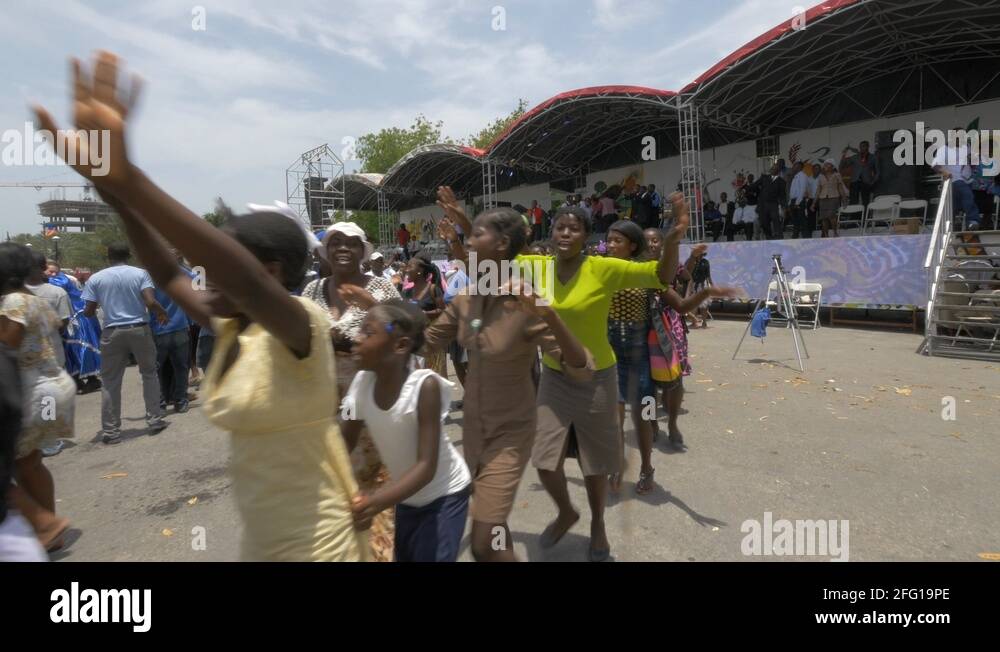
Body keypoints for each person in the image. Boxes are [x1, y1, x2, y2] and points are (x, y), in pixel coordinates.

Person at [36, 50, 367, 561]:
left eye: (218, 266)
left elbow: (245, 280)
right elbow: (167, 272)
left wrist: (132, 178)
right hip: (263, 546)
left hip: (320, 547)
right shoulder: (232, 327)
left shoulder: (304, 325)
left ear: (271, 273)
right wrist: (113, 190)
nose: (203, 278)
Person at [514, 198, 688, 562]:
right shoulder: (538, 267)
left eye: (574, 228)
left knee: (593, 463)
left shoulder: (604, 268)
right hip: (555, 376)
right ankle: (566, 511)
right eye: (560, 227)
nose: (565, 233)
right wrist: (465, 231)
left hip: (598, 377)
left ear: (585, 235)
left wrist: (672, 241)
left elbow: (661, 276)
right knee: (545, 460)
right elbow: (488, 262)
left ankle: (597, 525)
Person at [428, 192, 594, 561]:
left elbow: (581, 367)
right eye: (464, 240)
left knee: (483, 542)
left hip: (511, 430)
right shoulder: (467, 300)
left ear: (503, 244)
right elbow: (423, 340)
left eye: (475, 236)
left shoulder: (525, 296)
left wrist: (549, 316)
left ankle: (573, 517)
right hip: (474, 430)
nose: (466, 244)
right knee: (493, 523)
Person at [340, 302, 471, 562]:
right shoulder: (360, 384)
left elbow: (426, 466)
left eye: (368, 332)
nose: (356, 338)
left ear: (400, 346)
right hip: (407, 499)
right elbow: (343, 442)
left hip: (444, 496)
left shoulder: (424, 388)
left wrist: (376, 501)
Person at [301, 221, 401, 562]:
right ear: (325, 251)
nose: (343, 248)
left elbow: (401, 335)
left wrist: (370, 303)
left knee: (373, 482)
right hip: (322, 402)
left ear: (363, 251)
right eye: (335, 242)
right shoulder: (312, 291)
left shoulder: (381, 286)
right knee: (331, 482)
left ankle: (378, 550)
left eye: (351, 243)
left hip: (371, 400)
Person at [0, 242, 76, 553]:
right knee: (30, 463)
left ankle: (45, 524)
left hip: (31, 391)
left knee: (12, 468)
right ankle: (49, 529)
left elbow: (7, 346)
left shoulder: (13, 303)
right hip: (52, 385)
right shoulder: (34, 298)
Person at [644, 236, 739, 450]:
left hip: (669, 326)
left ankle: (672, 422)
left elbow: (684, 276)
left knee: (674, 378)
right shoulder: (634, 269)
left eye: (655, 240)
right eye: (646, 241)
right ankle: (650, 423)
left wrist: (693, 259)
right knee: (646, 386)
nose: (651, 244)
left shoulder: (670, 268)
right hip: (643, 331)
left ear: (662, 245)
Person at [82, 243, 169, 444]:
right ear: (129, 255)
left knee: (111, 382)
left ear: (108, 256)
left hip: (111, 332)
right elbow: (149, 301)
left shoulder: (96, 278)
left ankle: (111, 432)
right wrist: (161, 311)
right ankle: (155, 420)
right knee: (149, 374)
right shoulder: (140, 274)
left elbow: (88, 310)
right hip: (139, 328)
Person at [604, 221, 657, 495]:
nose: (610, 246)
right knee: (615, 418)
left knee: (642, 418)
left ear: (633, 245)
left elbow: (673, 293)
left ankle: (647, 468)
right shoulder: (601, 269)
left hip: (640, 358)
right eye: (609, 240)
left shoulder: (644, 271)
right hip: (611, 353)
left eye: (617, 241)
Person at [25, 252, 72, 456]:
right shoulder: (56, 292)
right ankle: (49, 442)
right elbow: (64, 323)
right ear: (44, 267)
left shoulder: (11, 295)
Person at [46, 260, 101, 391]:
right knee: (69, 349)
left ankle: (92, 379)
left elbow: (58, 284)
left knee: (80, 348)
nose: (53, 274)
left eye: (55, 271)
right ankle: (76, 379)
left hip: (77, 318)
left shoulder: (61, 280)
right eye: (50, 271)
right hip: (68, 318)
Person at [151, 253, 194, 414]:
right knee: (181, 367)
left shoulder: (149, 274)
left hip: (158, 328)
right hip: (180, 326)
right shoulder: (181, 273)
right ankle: (180, 400)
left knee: (157, 369)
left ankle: (161, 403)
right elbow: (198, 281)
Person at [402, 255, 447, 378]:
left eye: (410, 266)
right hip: (413, 343)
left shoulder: (433, 289)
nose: (406, 270)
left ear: (420, 270)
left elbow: (443, 310)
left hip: (431, 342)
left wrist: (425, 314)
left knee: (434, 376)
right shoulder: (406, 292)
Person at [933, 129, 982, 230]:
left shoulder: (967, 147)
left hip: (967, 179)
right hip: (954, 179)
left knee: (954, 205)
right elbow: (935, 165)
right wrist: (944, 171)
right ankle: (973, 220)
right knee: (966, 194)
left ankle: (950, 226)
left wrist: (972, 159)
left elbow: (974, 161)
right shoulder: (944, 149)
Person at [814, 159, 849, 237]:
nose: (825, 166)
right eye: (825, 164)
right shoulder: (821, 176)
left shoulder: (837, 175)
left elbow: (840, 188)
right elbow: (818, 190)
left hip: (833, 197)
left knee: (831, 216)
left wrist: (844, 199)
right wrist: (814, 202)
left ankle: (835, 233)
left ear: (833, 167)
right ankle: (826, 235)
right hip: (822, 198)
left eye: (828, 164)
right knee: (824, 218)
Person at [841, 140, 879, 207]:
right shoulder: (855, 157)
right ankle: (854, 216)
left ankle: (864, 216)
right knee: (853, 201)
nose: (861, 148)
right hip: (855, 181)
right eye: (860, 146)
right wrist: (844, 153)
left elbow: (877, 172)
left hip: (866, 182)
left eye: (863, 146)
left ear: (868, 147)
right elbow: (844, 164)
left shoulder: (873, 157)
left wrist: (873, 182)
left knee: (865, 201)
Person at [756, 163, 787, 239]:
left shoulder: (781, 181)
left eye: (774, 168)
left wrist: (784, 207)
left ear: (778, 171)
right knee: (763, 223)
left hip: (774, 205)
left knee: (776, 220)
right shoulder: (764, 178)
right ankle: (769, 237)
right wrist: (745, 189)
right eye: (772, 168)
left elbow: (783, 195)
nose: (772, 169)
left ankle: (779, 237)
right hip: (763, 206)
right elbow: (755, 185)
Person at [686, 245, 713, 328]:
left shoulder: (705, 262)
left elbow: (708, 275)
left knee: (704, 304)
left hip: (703, 284)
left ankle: (704, 322)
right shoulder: (690, 261)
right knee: (693, 304)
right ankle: (694, 322)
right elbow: (688, 274)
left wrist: (712, 285)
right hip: (692, 284)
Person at [788, 161, 812, 238]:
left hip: (799, 201)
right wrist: (790, 202)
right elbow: (793, 191)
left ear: (799, 167)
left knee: (802, 220)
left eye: (795, 165)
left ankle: (806, 238)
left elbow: (802, 190)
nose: (793, 167)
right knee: (795, 221)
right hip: (793, 200)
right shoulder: (795, 176)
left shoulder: (802, 176)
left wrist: (797, 203)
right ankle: (795, 237)